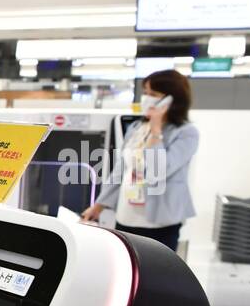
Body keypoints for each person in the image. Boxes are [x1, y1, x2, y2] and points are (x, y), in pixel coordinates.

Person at [83, 70, 199, 252]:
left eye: (153, 94)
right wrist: (98, 206)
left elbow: (158, 170)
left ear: (170, 100)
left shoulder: (186, 133)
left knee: (157, 275)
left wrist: (156, 131)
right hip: (126, 216)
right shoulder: (137, 128)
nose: (146, 98)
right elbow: (121, 170)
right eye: (145, 92)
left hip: (159, 221)